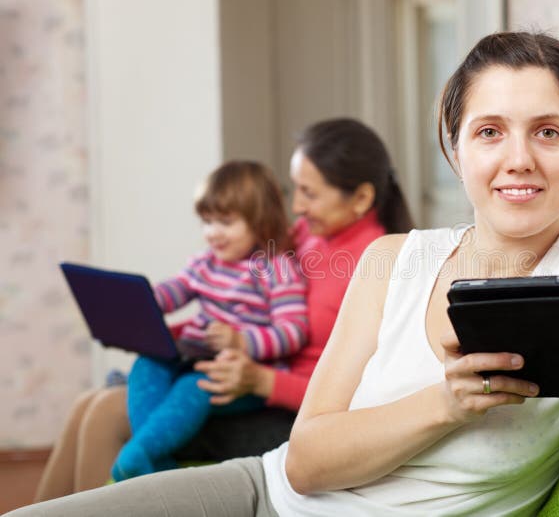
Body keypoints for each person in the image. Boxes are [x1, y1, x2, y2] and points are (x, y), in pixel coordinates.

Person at [17, 31, 559, 516]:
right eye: (489, 131)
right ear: (455, 150)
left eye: (550, 132)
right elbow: (306, 463)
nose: (519, 158)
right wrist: (445, 403)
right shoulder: (394, 259)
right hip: (260, 494)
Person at [32, 118, 413, 500]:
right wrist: (175, 332)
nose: (296, 206)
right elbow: (238, 295)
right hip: (241, 379)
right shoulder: (307, 235)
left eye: (309, 194)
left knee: (107, 415)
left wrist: (260, 380)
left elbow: (359, 395)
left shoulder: (377, 266)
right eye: (296, 189)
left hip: (291, 417)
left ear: (361, 198)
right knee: (90, 404)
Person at [110, 160, 309, 480]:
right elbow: (179, 288)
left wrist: (242, 341)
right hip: (196, 354)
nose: (213, 233)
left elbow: (293, 331)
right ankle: (152, 460)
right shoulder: (207, 262)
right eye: (207, 222)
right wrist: (145, 301)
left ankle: (136, 456)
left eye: (225, 222)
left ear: (260, 221)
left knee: (194, 387)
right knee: (146, 366)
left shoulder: (276, 268)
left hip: (238, 371)